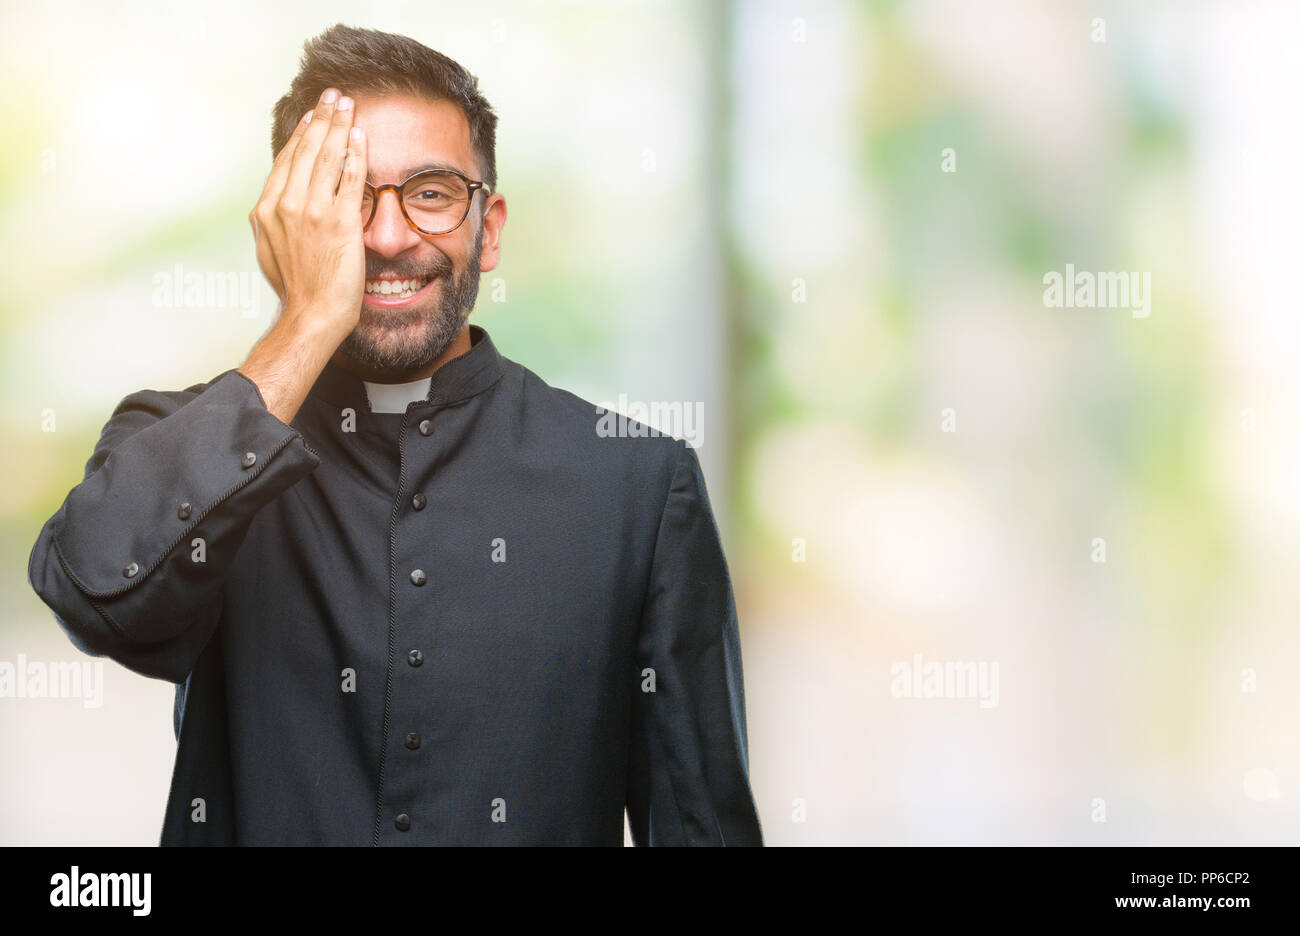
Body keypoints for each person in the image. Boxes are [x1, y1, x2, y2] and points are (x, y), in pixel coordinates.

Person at [27, 23, 762, 846]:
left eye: (433, 192)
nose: (385, 237)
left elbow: (704, 828)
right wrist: (304, 322)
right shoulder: (178, 447)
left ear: (489, 227)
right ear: (290, 221)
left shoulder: (638, 486)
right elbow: (95, 599)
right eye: (346, 196)